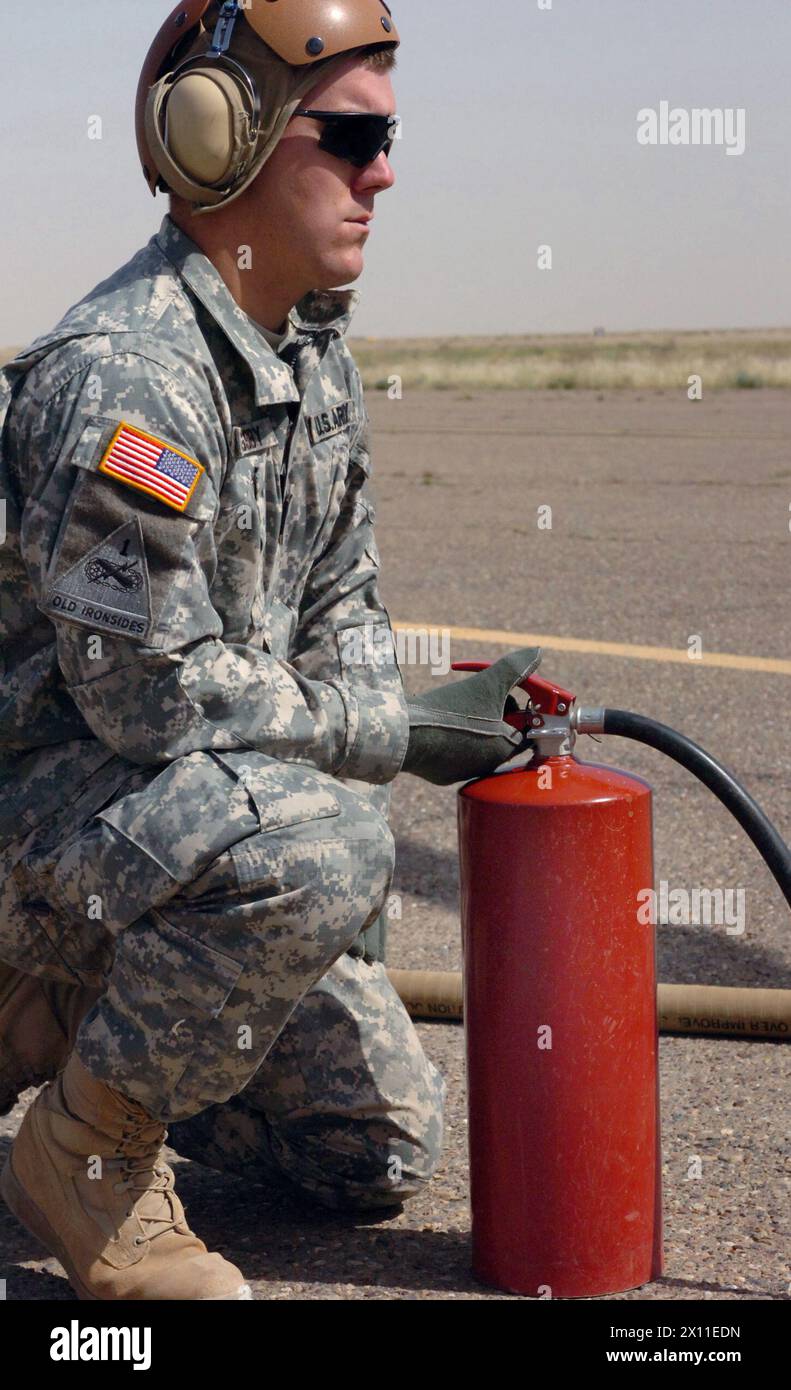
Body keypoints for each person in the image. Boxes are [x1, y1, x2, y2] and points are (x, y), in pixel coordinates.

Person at [0, 0, 537, 1301]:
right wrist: (388, 734)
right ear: (217, 141)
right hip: (47, 823)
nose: (384, 170)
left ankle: (71, 1021)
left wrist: (370, 710)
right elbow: (150, 692)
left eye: (387, 135)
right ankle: (89, 1148)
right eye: (350, 135)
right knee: (331, 842)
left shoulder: (314, 364)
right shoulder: (130, 377)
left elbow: (346, 603)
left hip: (167, 835)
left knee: (372, 1146)